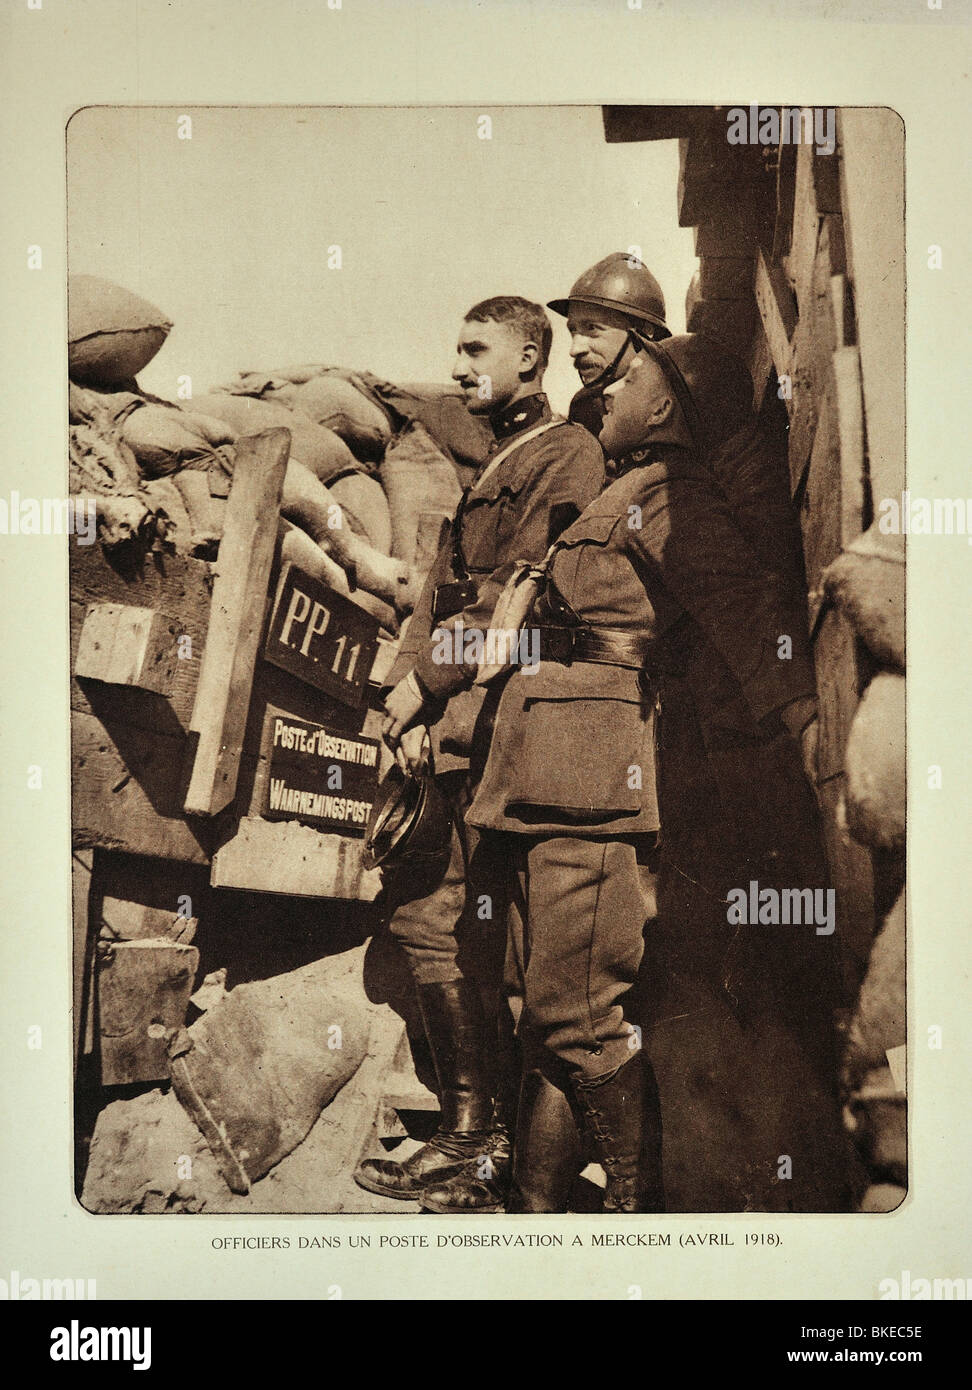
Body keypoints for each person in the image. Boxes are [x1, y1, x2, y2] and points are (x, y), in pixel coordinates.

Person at [465, 333, 848, 1213]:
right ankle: (537, 1215)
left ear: (667, 402)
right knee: (552, 1016)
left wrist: (803, 718)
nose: (602, 386)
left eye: (626, 376)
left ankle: (638, 1216)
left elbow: (739, 605)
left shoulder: (664, 495)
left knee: (580, 1015)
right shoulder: (618, 491)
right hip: (546, 778)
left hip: (596, 786)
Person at [353, 296, 605, 1213]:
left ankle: (495, 1150)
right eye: (453, 349)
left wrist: (432, 682)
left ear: (531, 355)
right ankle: (469, 1134)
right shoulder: (493, 457)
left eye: (476, 349)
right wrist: (411, 692)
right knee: (430, 921)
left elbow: (517, 592)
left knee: (490, 940)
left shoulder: (565, 454)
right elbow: (438, 591)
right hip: (456, 727)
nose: (459, 366)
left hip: (511, 728)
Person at [547, 252, 671, 441]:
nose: (575, 349)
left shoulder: (682, 399)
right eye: (573, 331)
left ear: (644, 331)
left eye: (592, 328)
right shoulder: (587, 407)